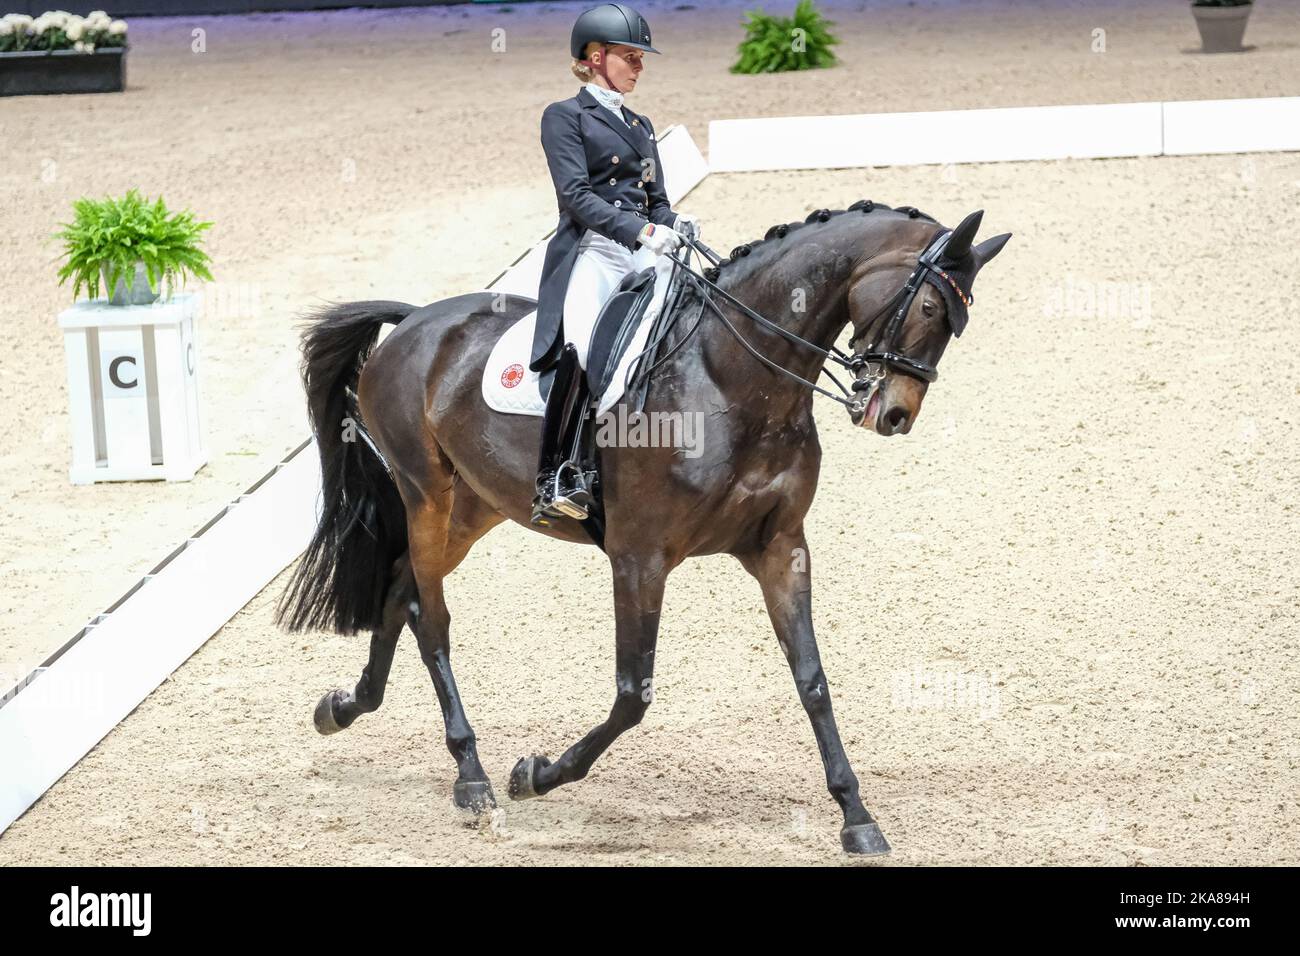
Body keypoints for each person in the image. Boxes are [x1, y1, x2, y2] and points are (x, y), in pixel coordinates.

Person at [530, 2, 701, 525]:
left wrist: (673, 224)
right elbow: (576, 196)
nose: (639, 67)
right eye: (631, 57)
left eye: (641, 58)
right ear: (595, 56)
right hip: (595, 250)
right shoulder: (564, 116)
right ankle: (560, 473)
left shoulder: (641, 125)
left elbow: (657, 197)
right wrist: (641, 230)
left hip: (646, 250)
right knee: (584, 346)